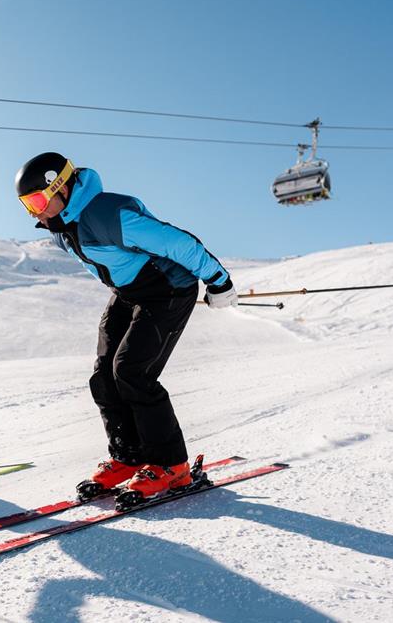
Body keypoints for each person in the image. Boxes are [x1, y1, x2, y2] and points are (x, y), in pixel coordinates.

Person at [13, 152, 238, 499]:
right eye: (27, 206)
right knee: (104, 376)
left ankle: (172, 466)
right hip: (129, 293)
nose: (35, 213)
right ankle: (128, 456)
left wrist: (218, 281)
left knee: (132, 372)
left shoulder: (109, 214)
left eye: (38, 202)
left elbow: (177, 243)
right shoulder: (61, 229)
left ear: (62, 188)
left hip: (168, 289)